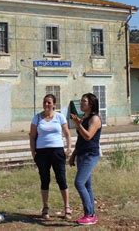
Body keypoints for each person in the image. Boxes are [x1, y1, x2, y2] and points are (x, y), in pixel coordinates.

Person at [29, 94, 73, 220]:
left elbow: (67, 133)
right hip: (42, 153)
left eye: (49, 102)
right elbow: (32, 136)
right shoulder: (37, 118)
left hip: (57, 152)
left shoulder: (59, 117)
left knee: (61, 178)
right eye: (45, 102)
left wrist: (69, 148)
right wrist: (33, 153)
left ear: (54, 104)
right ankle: (45, 207)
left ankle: (67, 207)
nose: (46, 105)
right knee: (44, 179)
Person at [69, 93, 102, 225]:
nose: (81, 103)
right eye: (81, 101)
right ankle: (91, 214)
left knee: (79, 183)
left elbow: (88, 136)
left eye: (84, 101)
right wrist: (73, 155)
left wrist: (78, 124)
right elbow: (80, 139)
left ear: (91, 104)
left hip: (90, 155)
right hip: (81, 154)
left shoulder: (95, 119)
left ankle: (89, 214)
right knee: (87, 185)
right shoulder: (84, 117)